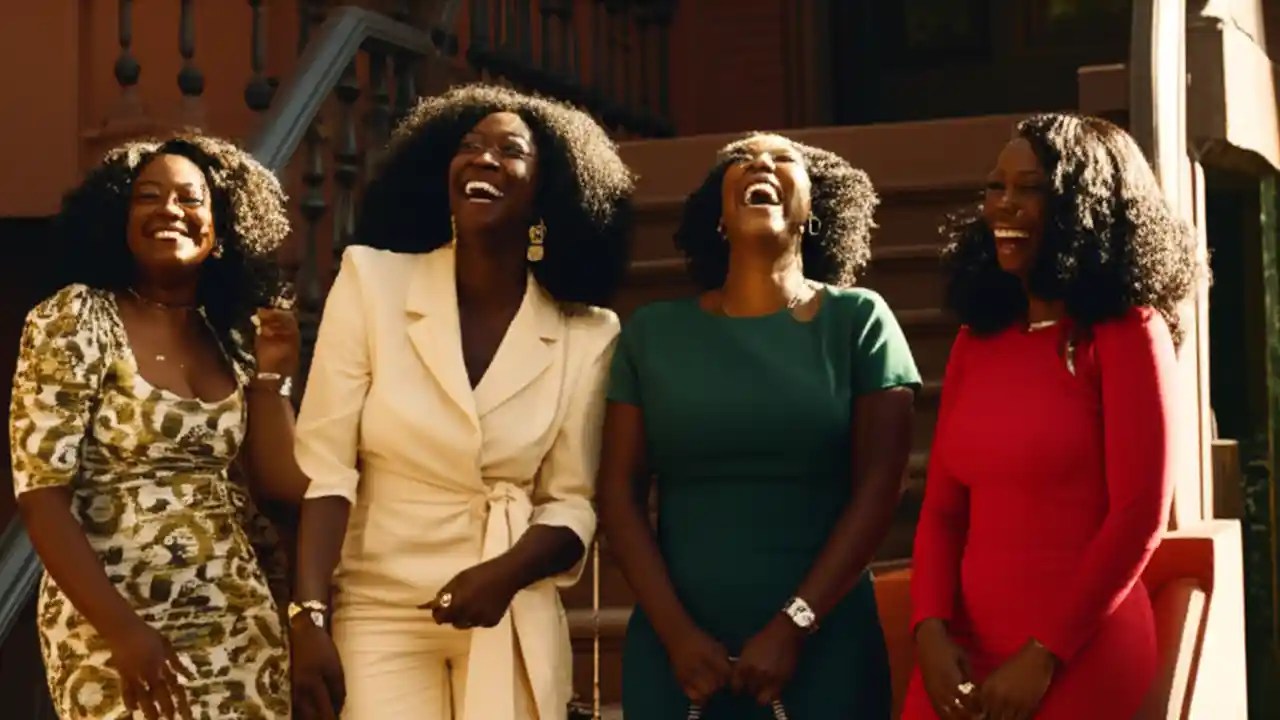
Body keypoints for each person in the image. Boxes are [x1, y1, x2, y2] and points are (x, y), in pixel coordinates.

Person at [287, 83, 634, 720]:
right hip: (379, 607)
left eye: (511, 151)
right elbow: (327, 468)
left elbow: (570, 501)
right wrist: (307, 614)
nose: (483, 159)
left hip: (508, 604)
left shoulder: (588, 333)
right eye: (469, 147)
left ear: (547, 191)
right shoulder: (371, 281)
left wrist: (503, 575)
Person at [598, 132, 919, 719]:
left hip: (825, 641)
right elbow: (618, 495)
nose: (759, 164)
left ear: (812, 210)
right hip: (679, 653)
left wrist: (795, 623)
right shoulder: (652, 333)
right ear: (717, 213)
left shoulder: (859, 319)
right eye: (740, 160)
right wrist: (675, 635)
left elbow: (881, 488)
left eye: (781, 159)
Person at [903, 113, 1203, 720]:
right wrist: (929, 632)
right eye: (996, 187)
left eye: (1029, 189)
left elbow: (1137, 515)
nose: (1003, 206)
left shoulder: (1127, 333)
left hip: (1078, 649)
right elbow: (941, 510)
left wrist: (1046, 653)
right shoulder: (976, 342)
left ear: (1082, 206)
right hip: (963, 651)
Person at [10, 135, 306, 719]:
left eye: (191, 200)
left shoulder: (230, 335)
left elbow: (279, 484)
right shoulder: (75, 317)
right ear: (119, 218)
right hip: (111, 620)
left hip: (236, 617)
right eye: (149, 196)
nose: (170, 209)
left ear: (220, 228)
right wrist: (125, 633)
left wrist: (272, 380)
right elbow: (41, 495)